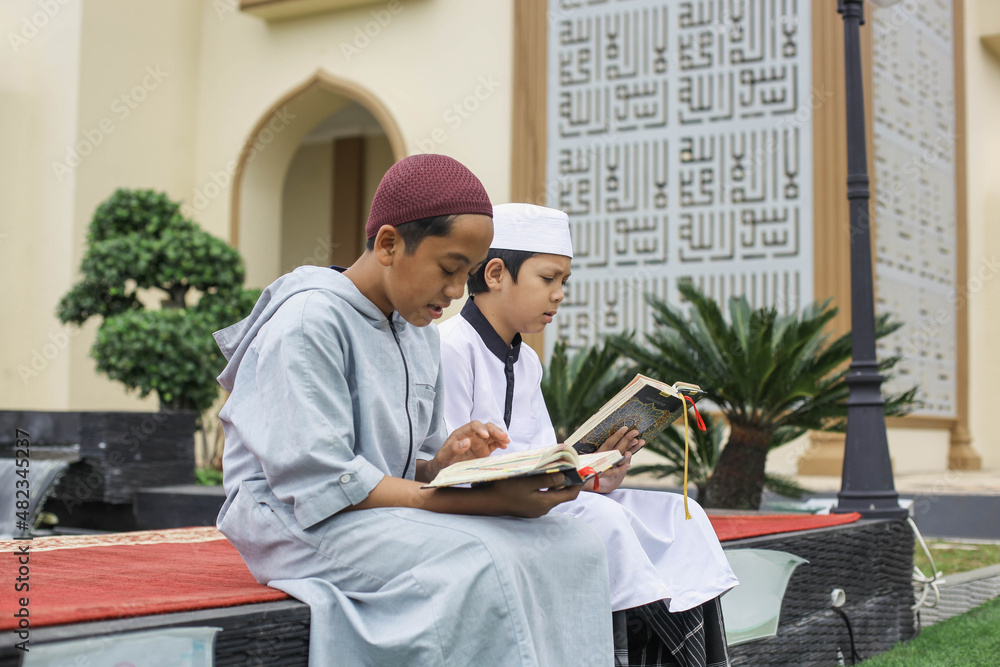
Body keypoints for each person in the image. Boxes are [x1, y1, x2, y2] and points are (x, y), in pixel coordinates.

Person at [213, 157, 614, 667]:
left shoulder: (416, 331)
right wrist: (492, 504)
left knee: (573, 542)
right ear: (388, 245)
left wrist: (445, 462)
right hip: (298, 525)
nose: (455, 294)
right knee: (479, 561)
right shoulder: (310, 321)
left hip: (380, 511)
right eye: (449, 270)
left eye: (467, 275)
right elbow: (323, 485)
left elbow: (411, 470)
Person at [438, 203, 739, 667]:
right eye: (548, 279)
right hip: (490, 510)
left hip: (540, 498)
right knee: (609, 525)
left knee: (683, 516)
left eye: (565, 283)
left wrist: (599, 470)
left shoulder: (529, 361)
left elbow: (542, 454)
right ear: (496, 273)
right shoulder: (451, 347)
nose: (559, 295)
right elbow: (451, 469)